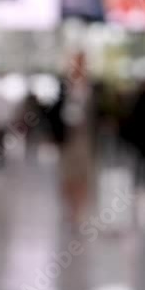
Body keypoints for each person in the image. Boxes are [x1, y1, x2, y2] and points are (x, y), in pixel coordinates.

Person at [49, 52, 96, 225]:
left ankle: (80, 209)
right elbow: (54, 111)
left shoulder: (91, 87)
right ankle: (70, 208)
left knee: (83, 173)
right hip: (67, 135)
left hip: (85, 136)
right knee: (68, 172)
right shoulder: (64, 85)